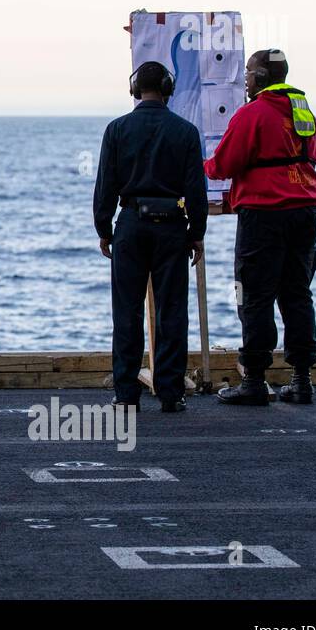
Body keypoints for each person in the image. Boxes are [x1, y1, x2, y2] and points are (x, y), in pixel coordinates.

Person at [204, 49, 316, 406]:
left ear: (259, 77)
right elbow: (314, 152)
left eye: (248, 74)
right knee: (297, 293)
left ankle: (254, 379)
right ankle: (302, 379)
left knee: (254, 295)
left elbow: (224, 163)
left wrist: (201, 165)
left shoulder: (252, 113)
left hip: (264, 213)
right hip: (305, 209)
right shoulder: (303, 110)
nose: (244, 80)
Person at [93, 61, 208, 412]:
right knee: (172, 310)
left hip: (130, 224)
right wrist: (196, 233)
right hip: (172, 227)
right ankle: (171, 393)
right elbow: (196, 191)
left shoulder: (116, 130)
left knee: (126, 311)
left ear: (134, 88)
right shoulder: (186, 132)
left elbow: (105, 188)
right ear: (167, 87)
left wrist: (105, 230)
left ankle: (126, 394)